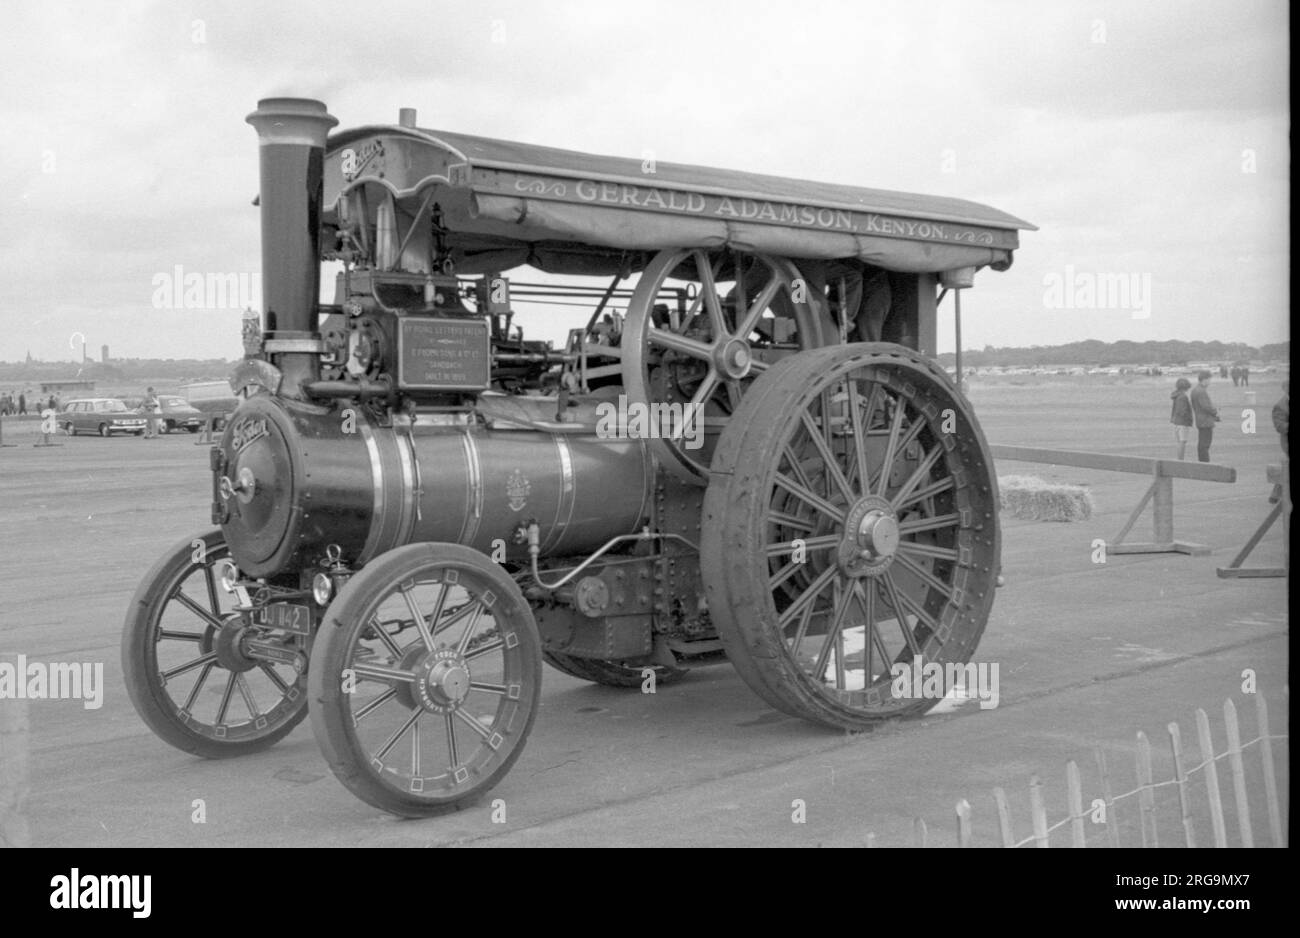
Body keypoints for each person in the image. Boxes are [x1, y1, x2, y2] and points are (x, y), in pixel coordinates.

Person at [1189, 370, 1220, 462]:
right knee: (1205, 445)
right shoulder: (1201, 391)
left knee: (1202, 444)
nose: (1210, 382)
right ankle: (1205, 464)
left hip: (1200, 420)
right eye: (1209, 379)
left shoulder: (1195, 390)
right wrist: (1215, 412)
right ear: (1204, 379)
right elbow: (1206, 406)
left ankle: (1202, 463)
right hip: (1205, 421)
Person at [1270, 380, 1289, 504]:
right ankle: (1275, 495)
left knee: (1286, 468)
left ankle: (1275, 495)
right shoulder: (1280, 405)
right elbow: (1279, 426)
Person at [1169, 377, 1194, 460]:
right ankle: (1180, 460)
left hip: (1176, 421)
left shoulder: (1177, 395)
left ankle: (1179, 459)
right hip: (1182, 422)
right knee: (1182, 442)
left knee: (1179, 442)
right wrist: (1188, 419)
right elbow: (1182, 411)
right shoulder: (1183, 397)